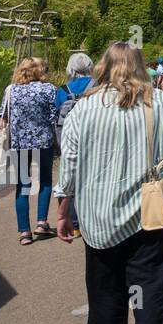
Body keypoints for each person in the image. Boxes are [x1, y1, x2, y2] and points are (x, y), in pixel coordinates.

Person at [55, 41, 163, 324]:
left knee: (105, 302)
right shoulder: (160, 103)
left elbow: (69, 167)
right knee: (149, 297)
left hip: (99, 221)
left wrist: (63, 211)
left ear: (103, 66)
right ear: (140, 67)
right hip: (150, 217)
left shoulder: (83, 108)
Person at [0, 57, 58, 245]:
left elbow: (3, 118)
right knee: (46, 180)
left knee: (23, 185)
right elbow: (53, 116)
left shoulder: (11, 90)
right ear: (38, 70)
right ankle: (42, 222)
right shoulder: (48, 89)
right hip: (43, 142)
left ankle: (25, 231)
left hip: (19, 144)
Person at [54, 52, 93, 231]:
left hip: (68, 140)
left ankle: (75, 224)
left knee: (70, 179)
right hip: (92, 138)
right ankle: (91, 219)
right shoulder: (97, 86)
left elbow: (54, 115)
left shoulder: (62, 90)